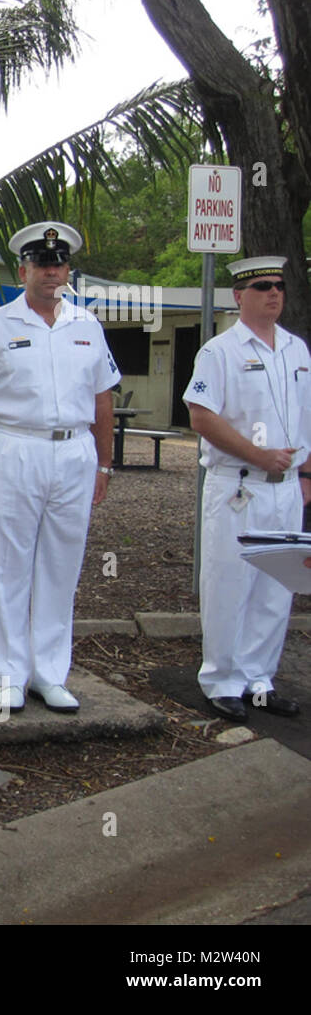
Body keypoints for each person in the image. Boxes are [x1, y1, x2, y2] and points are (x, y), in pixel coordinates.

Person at [0, 221, 118, 714]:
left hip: (74, 453)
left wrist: (104, 466)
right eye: (42, 264)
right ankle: (8, 674)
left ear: (68, 270)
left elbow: (103, 399)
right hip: (15, 449)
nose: (51, 271)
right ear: (23, 270)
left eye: (59, 263)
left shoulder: (87, 326)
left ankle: (50, 673)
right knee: (7, 565)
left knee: (62, 565)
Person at [184, 255, 306, 722]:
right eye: (262, 286)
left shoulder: (297, 350)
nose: (274, 292)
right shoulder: (219, 352)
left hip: (287, 488)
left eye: (278, 285)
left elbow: (305, 417)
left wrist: (305, 475)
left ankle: (259, 680)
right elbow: (201, 415)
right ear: (239, 296)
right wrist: (255, 455)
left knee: (276, 588)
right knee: (230, 584)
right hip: (239, 485)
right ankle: (222, 679)